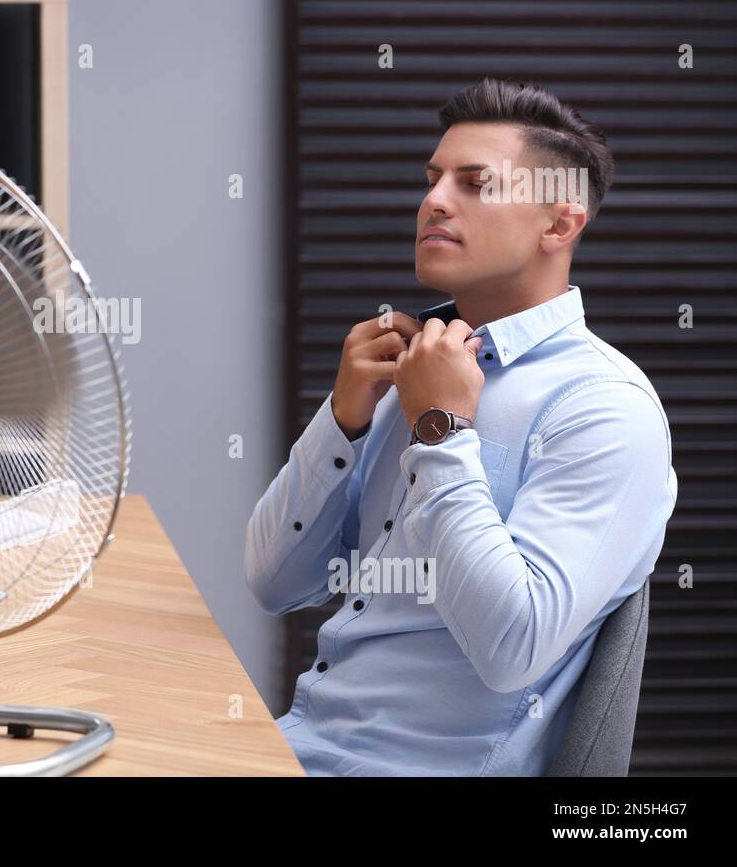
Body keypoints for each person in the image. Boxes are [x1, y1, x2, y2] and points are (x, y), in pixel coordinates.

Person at [245, 77, 676, 776]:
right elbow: (271, 582)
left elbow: (514, 645)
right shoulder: (418, 369)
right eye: (434, 178)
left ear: (560, 224)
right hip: (295, 745)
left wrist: (441, 432)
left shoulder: (604, 406)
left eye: (476, 182)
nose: (434, 200)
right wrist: (343, 418)